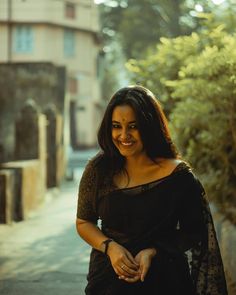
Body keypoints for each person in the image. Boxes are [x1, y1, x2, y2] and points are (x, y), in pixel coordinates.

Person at [76, 85, 228, 295]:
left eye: (133, 126)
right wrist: (110, 247)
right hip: (107, 282)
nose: (123, 135)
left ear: (149, 126)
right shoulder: (99, 170)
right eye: (116, 126)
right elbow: (84, 221)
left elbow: (193, 231)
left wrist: (153, 251)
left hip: (166, 281)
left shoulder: (179, 177)